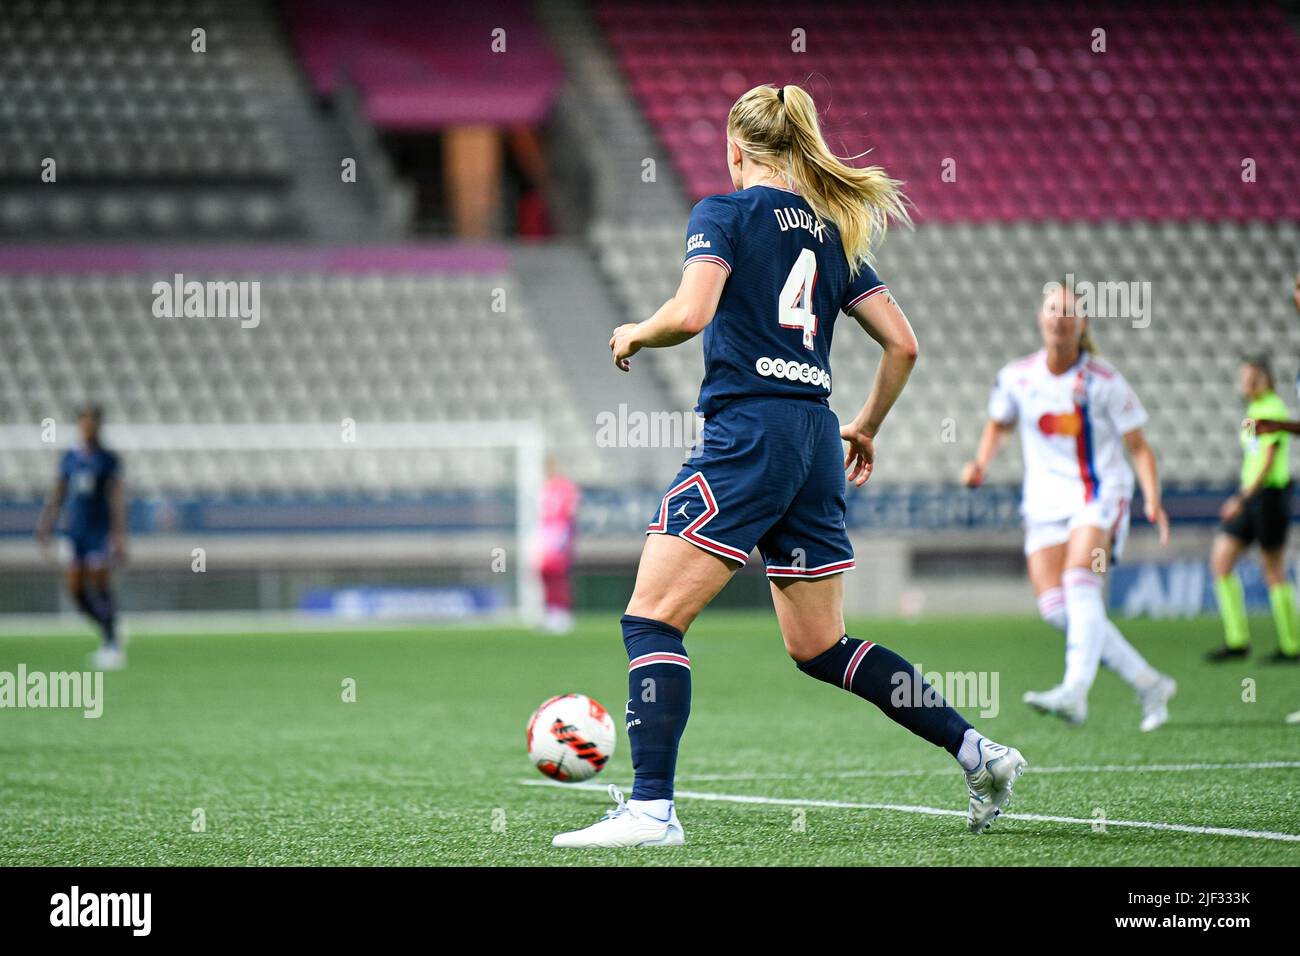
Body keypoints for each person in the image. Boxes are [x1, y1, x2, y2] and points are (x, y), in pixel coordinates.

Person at [551, 83, 1026, 849]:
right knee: (820, 646)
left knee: (651, 617)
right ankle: (978, 753)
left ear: (735, 151)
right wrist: (865, 424)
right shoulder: (836, 233)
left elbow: (693, 312)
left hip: (751, 433)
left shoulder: (724, 213)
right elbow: (903, 343)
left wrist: (635, 331)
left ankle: (650, 812)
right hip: (815, 439)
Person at [961, 283, 1175, 731]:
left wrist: (1152, 497)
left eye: (1070, 312)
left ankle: (1075, 691)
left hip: (1098, 495)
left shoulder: (1105, 382)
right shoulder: (1016, 376)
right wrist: (980, 462)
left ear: (1082, 325)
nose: (1060, 318)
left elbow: (1139, 448)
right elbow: (999, 424)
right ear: (1040, 317)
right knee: (1059, 609)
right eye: (1053, 309)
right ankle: (1149, 682)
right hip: (1043, 503)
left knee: (1081, 580)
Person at [1208, 355, 1298, 662]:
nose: (1242, 383)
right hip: (1250, 495)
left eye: (1247, 377)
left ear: (1262, 378)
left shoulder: (1273, 408)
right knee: (1221, 560)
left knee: (1272, 568)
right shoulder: (1253, 410)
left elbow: (1268, 460)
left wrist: (1241, 498)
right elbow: (1252, 455)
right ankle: (1237, 641)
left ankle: (1292, 645)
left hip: (1268, 496)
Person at [35, 405, 128, 669]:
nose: (89, 427)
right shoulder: (70, 458)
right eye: (84, 422)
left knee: (100, 584)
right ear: (79, 425)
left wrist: (119, 536)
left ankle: (111, 643)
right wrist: (46, 525)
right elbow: (58, 493)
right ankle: (109, 626)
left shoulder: (108, 459)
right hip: (75, 532)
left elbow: (117, 497)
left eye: (93, 422)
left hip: (99, 532)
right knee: (76, 591)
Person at [537, 458, 580, 634]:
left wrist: (568, 535)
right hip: (546, 532)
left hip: (560, 532)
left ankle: (563, 614)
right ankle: (552, 612)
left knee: (559, 574)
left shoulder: (566, 488)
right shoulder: (544, 487)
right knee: (544, 572)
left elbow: (571, 513)